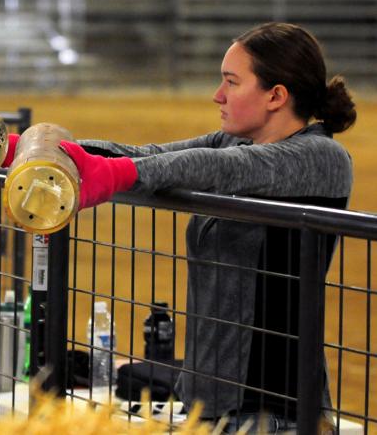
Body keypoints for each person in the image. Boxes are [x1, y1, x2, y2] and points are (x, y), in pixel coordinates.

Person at [52, 22, 355, 431]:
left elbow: (220, 169)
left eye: (231, 81)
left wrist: (113, 175)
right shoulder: (236, 142)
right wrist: (34, 153)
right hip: (207, 403)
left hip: (273, 414)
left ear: (276, 96)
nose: (218, 94)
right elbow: (149, 155)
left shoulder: (320, 158)